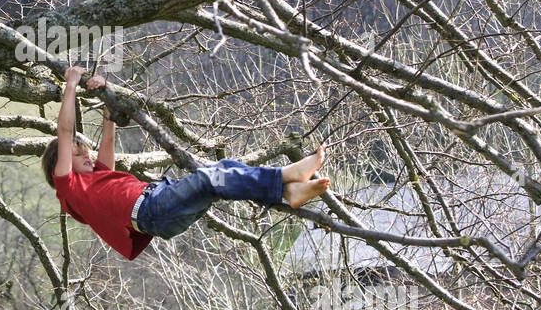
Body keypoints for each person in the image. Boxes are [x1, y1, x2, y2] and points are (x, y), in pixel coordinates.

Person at [42, 66, 330, 260]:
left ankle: (287, 191)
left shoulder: (96, 182)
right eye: (78, 154)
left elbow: (108, 138)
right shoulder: (68, 187)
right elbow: (65, 133)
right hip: (152, 210)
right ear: (62, 163)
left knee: (222, 173)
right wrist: (70, 86)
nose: (86, 156)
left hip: (161, 212)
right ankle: (283, 178)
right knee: (211, 177)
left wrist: (107, 100)